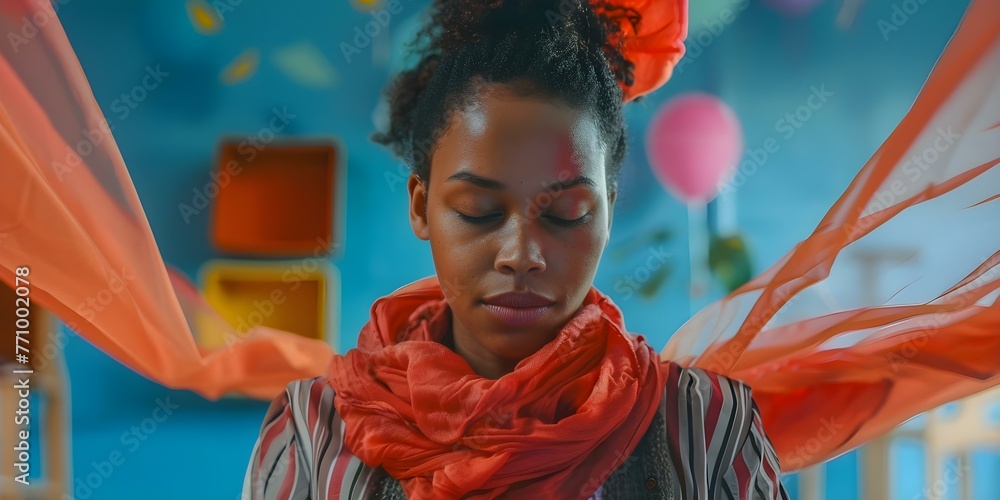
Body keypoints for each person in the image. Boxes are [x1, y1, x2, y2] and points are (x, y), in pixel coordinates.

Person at [243, 0, 787, 498]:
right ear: (421, 207)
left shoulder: (706, 427)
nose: (521, 254)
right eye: (479, 210)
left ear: (607, 211)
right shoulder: (312, 432)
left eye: (565, 213)